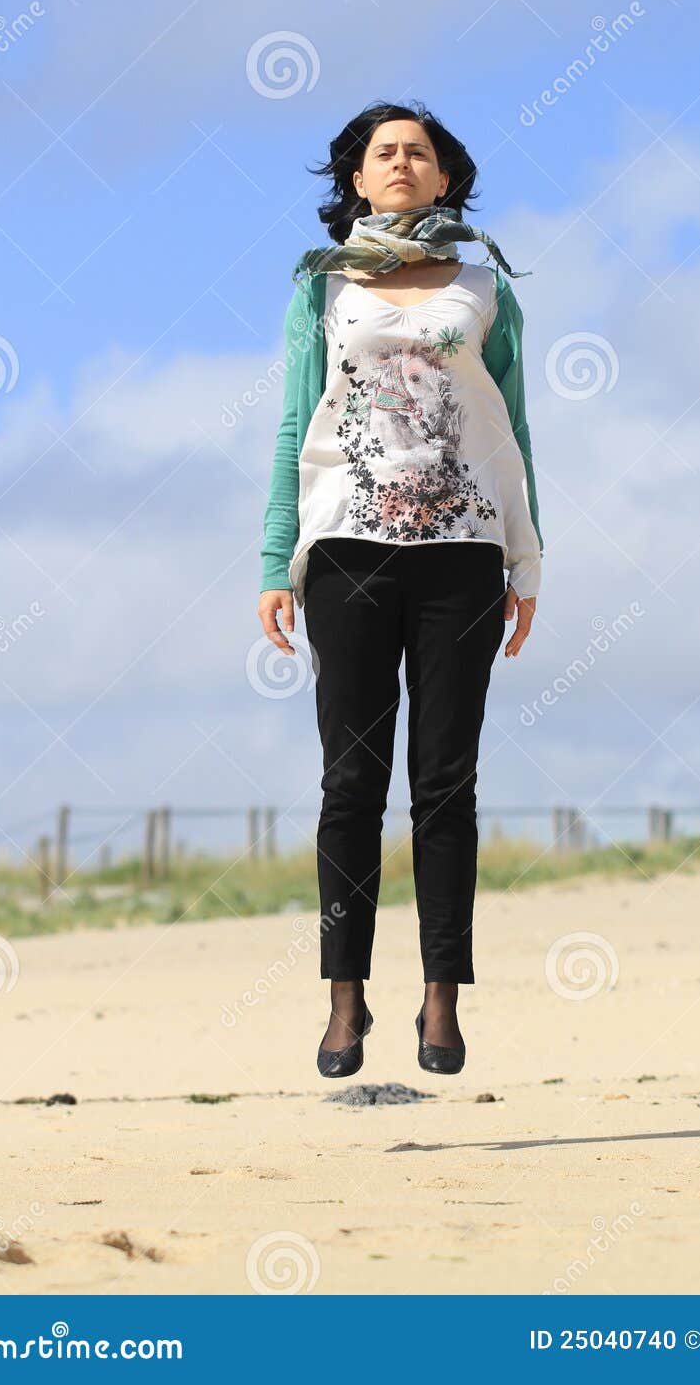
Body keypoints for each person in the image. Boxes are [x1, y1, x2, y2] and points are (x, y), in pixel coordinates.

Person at [257, 99, 543, 1078]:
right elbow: (296, 421)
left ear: (445, 178)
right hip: (346, 549)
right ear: (356, 179)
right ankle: (345, 999)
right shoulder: (321, 288)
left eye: (418, 152)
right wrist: (272, 561)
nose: (401, 163)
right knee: (349, 781)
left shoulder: (483, 284)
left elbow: (514, 428)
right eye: (383, 152)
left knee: (444, 784)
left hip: (463, 551)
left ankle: (439, 996)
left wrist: (525, 553)